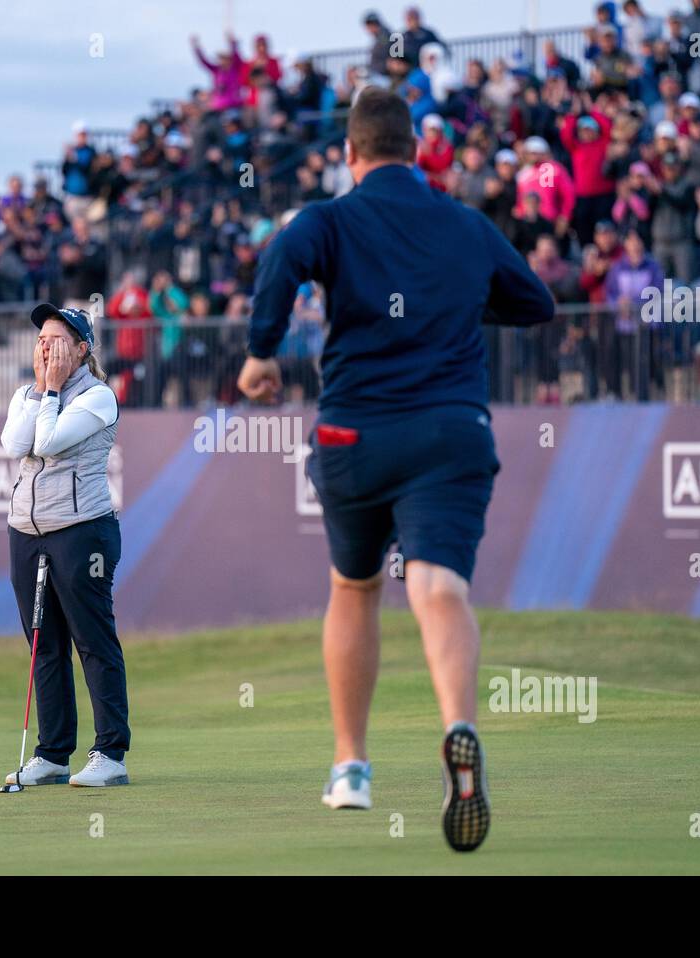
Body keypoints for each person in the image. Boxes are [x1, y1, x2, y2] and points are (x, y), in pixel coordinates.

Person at [236, 88, 555, 853]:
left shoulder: (331, 219)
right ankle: (459, 733)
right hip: (451, 431)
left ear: (350, 154)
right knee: (438, 588)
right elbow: (537, 303)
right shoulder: (467, 225)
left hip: (355, 434)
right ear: (417, 152)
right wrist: (457, 305)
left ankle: (351, 767)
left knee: (355, 585)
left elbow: (284, 255)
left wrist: (259, 350)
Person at [0, 303, 130, 789]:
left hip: (82, 531)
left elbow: (49, 442)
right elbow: (17, 444)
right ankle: (53, 754)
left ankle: (110, 753)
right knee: (44, 646)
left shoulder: (98, 397)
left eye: (56, 339)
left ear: (82, 348)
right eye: (40, 339)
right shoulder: (26, 394)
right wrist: (40, 390)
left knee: (93, 642)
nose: (45, 347)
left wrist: (51, 390)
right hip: (26, 531)